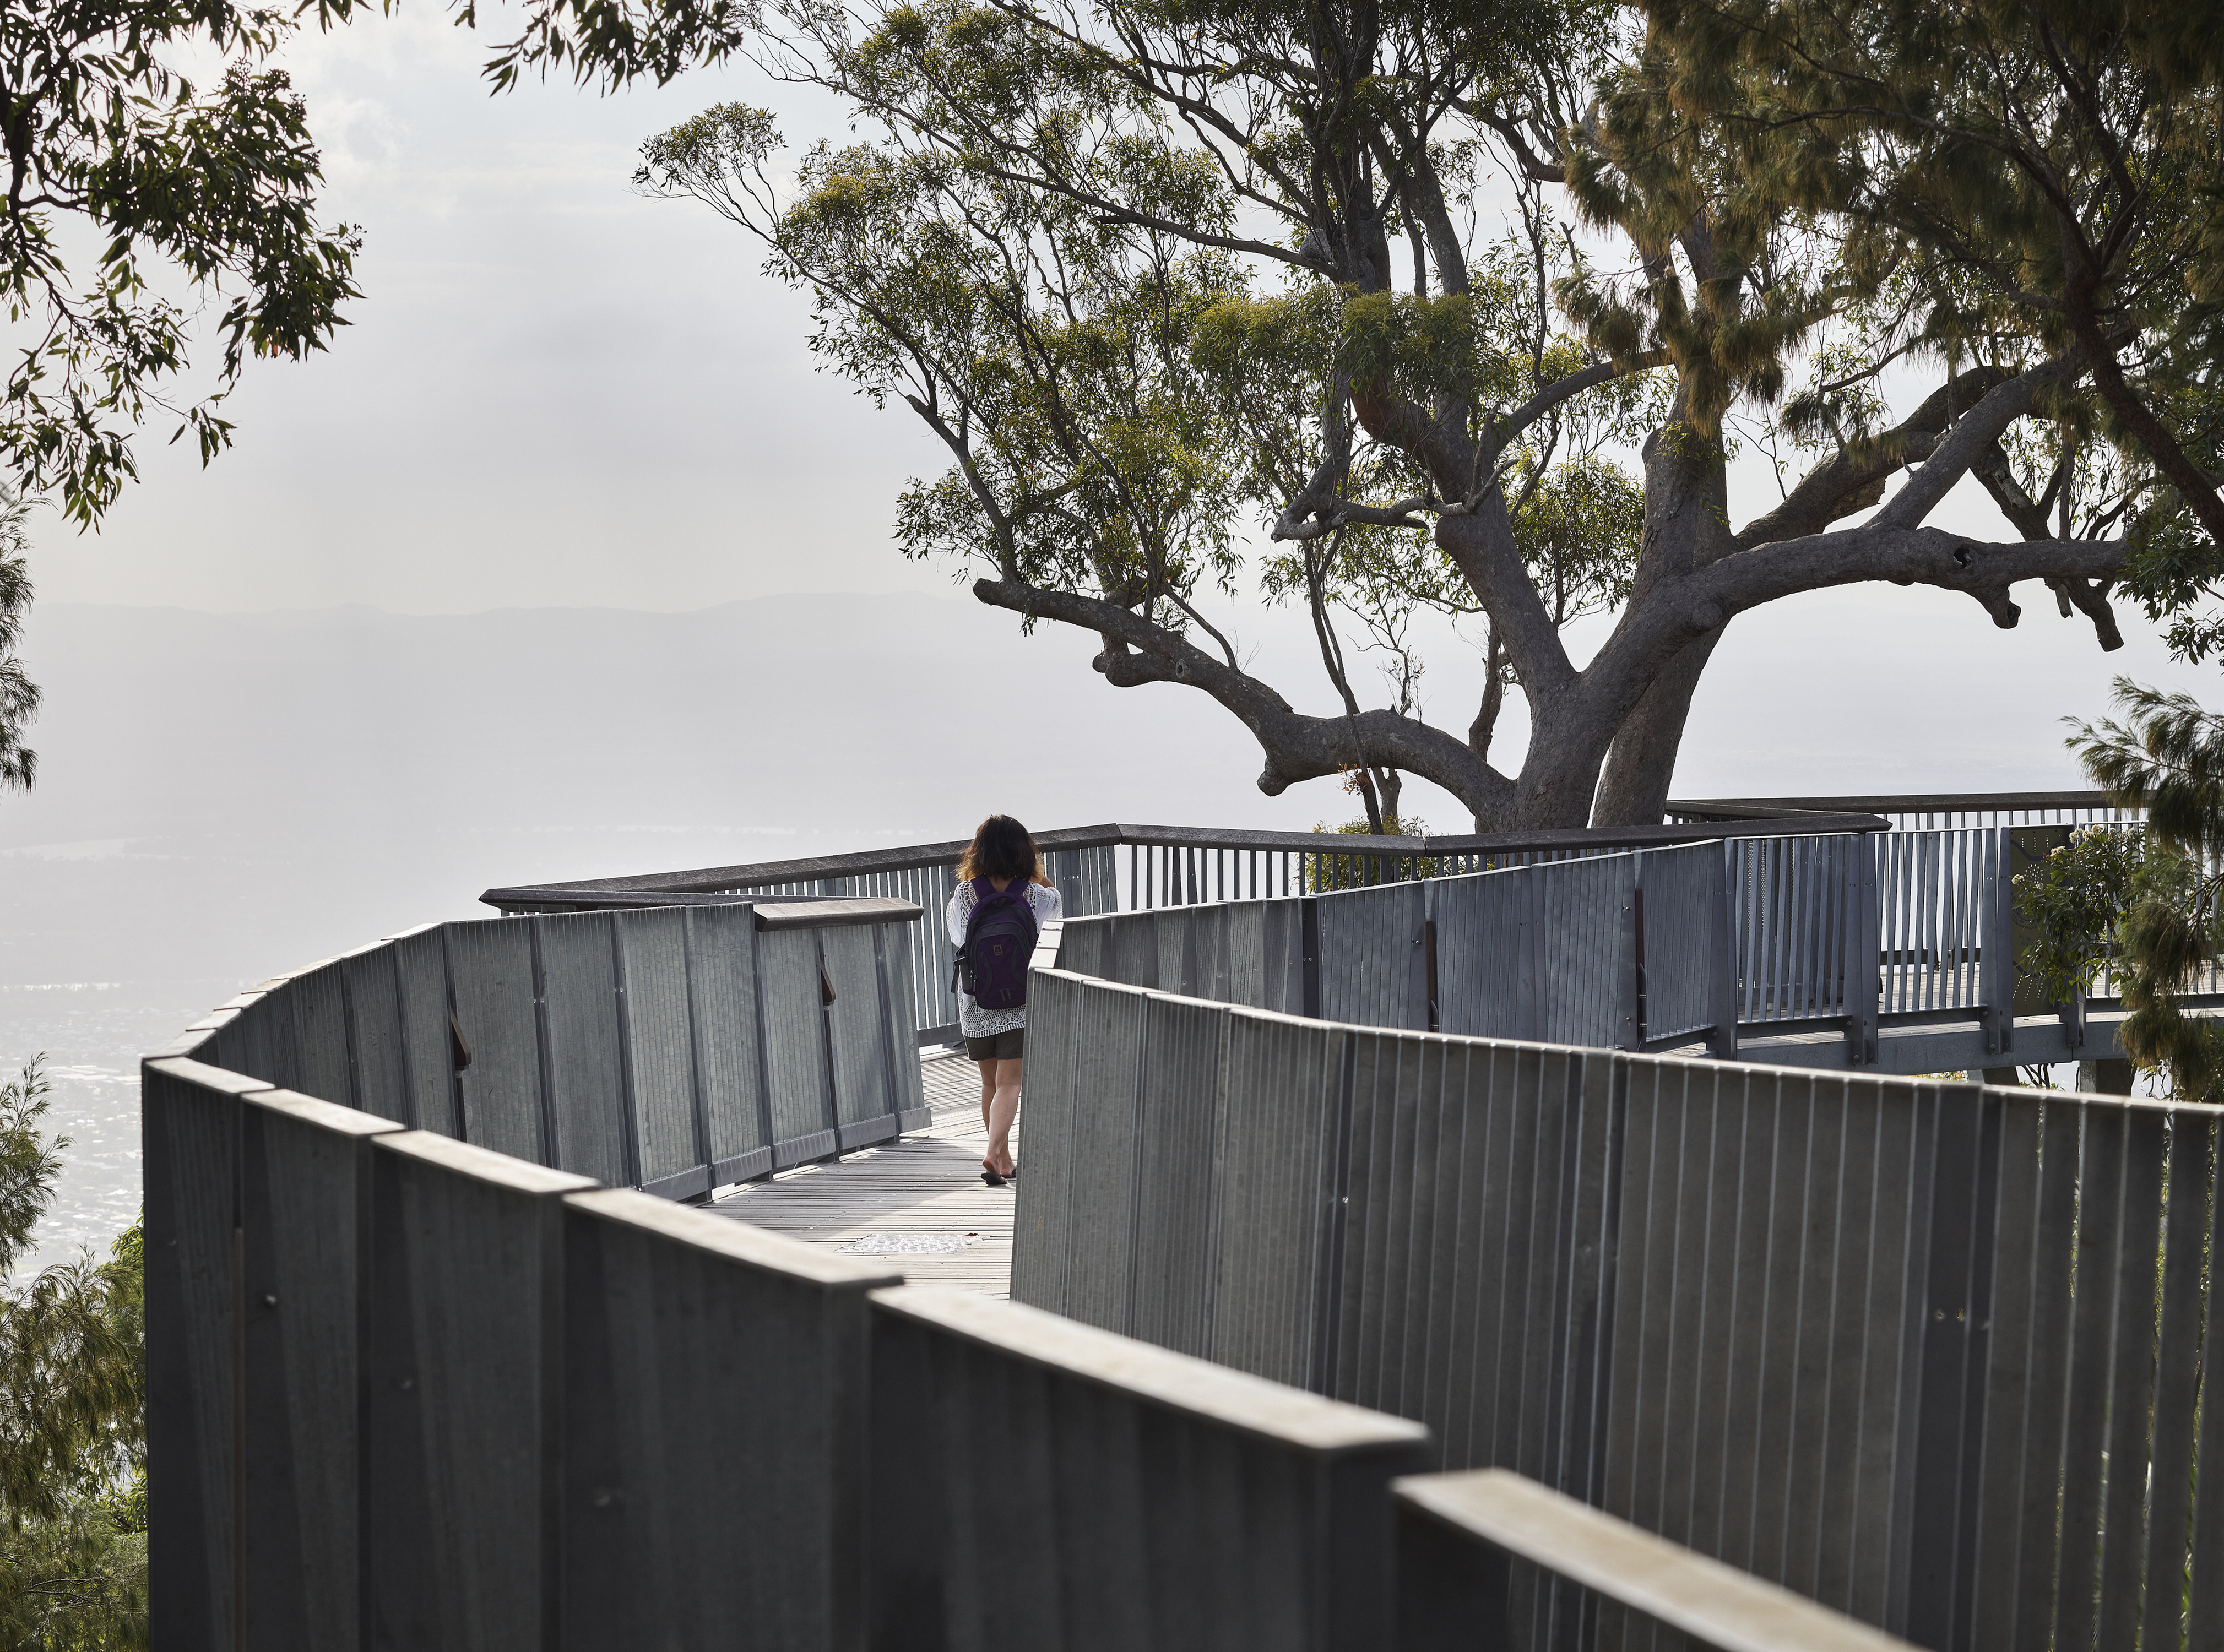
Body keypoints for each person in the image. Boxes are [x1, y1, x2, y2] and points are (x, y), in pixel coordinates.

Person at [947, 814, 1061, 1186]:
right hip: (1019, 1001)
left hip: (977, 1002)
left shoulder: (964, 896)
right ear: (1025, 852)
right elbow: (1053, 935)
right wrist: (1043, 883)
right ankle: (995, 1153)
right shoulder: (1040, 896)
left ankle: (1005, 1159)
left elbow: (960, 940)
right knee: (1011, 1084)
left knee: (990, 1084)